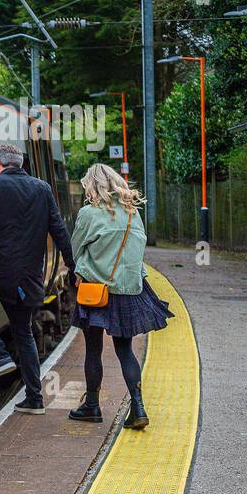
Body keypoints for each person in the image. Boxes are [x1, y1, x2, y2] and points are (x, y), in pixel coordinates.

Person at [0, 143, 74, 414]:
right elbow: (59, 231)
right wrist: (72, 266)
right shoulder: (42, 188)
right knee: (24, 333)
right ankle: (35, 398)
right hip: (29, 278)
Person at [67, 164, 172, 429]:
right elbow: (138, 250)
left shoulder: (89, 214)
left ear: (92, 185)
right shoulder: (132, 213)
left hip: (96, 292)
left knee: (93, 349)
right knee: (124, 349)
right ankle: (138, 407)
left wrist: (83, 270)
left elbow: (75, 250)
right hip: (127, 290)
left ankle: (92, 406)